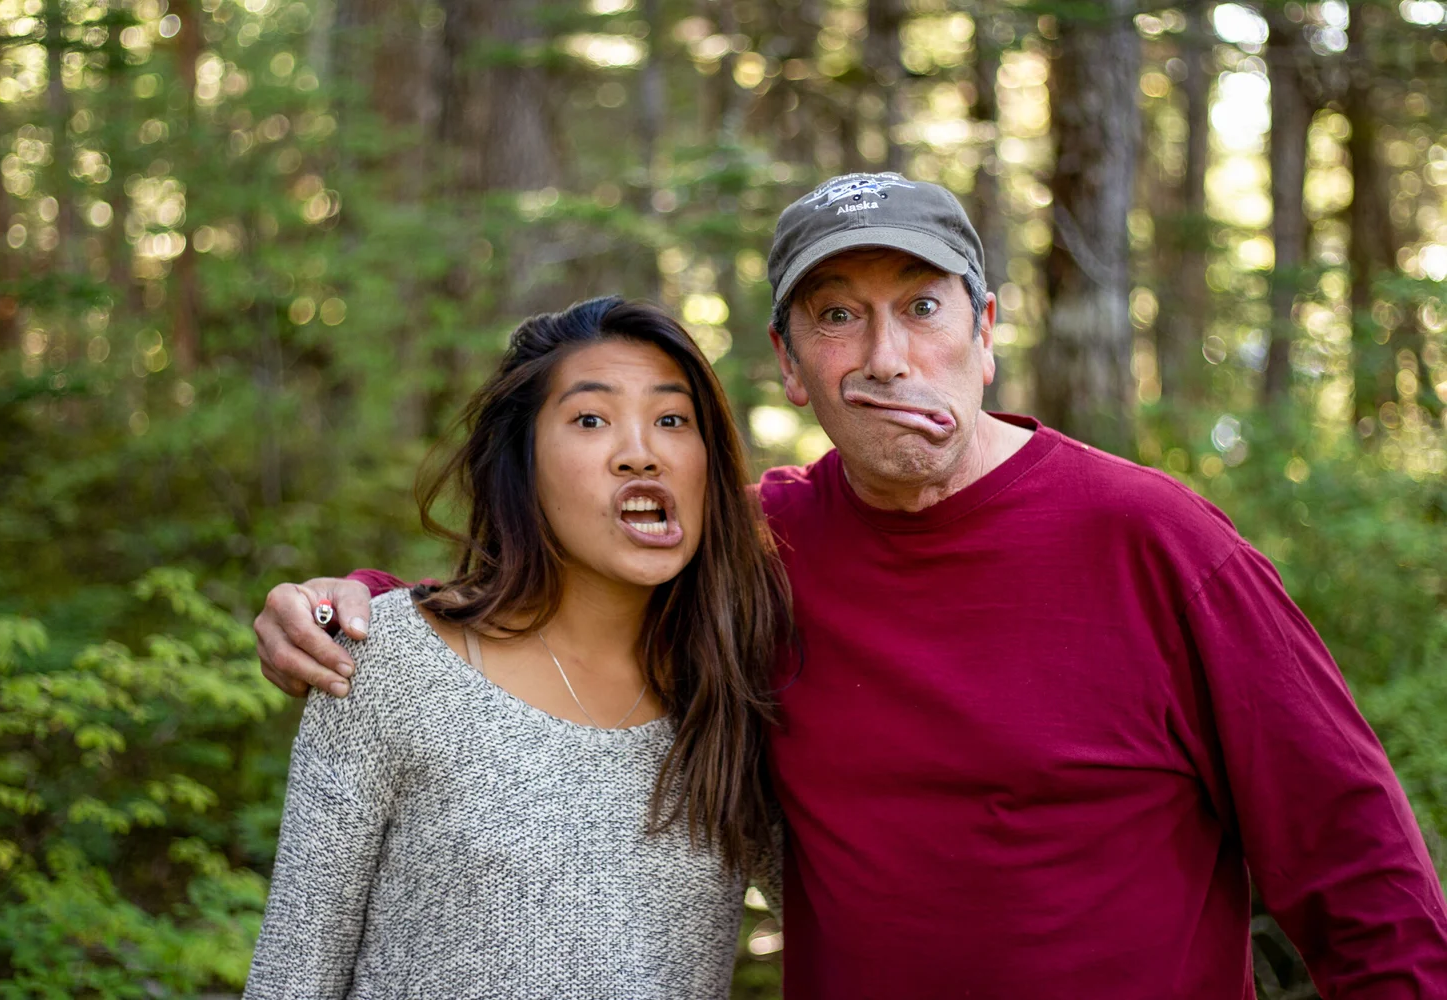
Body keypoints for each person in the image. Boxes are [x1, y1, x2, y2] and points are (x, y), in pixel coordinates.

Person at [255, 173, 1447, 998]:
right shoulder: (765, 551)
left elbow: (1360, 870)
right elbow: (565, 588)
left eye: (921, 308)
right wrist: (358, 604)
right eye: (838, 317)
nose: (886, 356)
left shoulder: (1159, 543)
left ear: (983, 329)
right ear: (790, 362)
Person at [244, 297, 787, 998]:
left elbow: (856, 925)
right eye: (591, 419)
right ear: (520, 461)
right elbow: (295, 973)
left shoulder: (734, 701)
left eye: (672, 420)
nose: (640, 453)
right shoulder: (392, 667)